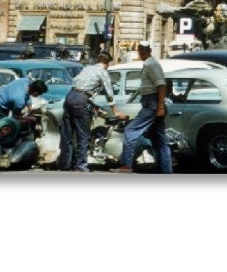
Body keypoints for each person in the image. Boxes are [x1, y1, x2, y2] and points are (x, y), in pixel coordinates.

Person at [59, 52, 126, 172]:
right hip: (82, 101)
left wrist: (92, 105)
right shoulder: (103, 72)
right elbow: (109, 93)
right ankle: (80, 165)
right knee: (83, 135)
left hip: (70, 97)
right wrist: (115, 111)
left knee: (67, 135)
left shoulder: (87, 68)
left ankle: (65, 164)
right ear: (107, 63)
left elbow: (78, 85)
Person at [117, 40, 173, 173]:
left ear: (144, 51)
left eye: (141, 50)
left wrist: (160, 107)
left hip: (152, 104)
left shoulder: (151, 64)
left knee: (130, 131)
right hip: (151, 102)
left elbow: (161, 85)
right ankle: (166, 170)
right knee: (158, 139)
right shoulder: (149, 64)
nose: (140, 53)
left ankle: (127, 165)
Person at [0, 76, 48, 170]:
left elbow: (27, 96)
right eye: (39, 94)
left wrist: (30, 105)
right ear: (35, 92)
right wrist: (28, 118)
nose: (38, 96)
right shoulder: (19, 99)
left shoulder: (25, 81)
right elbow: (15, 118)